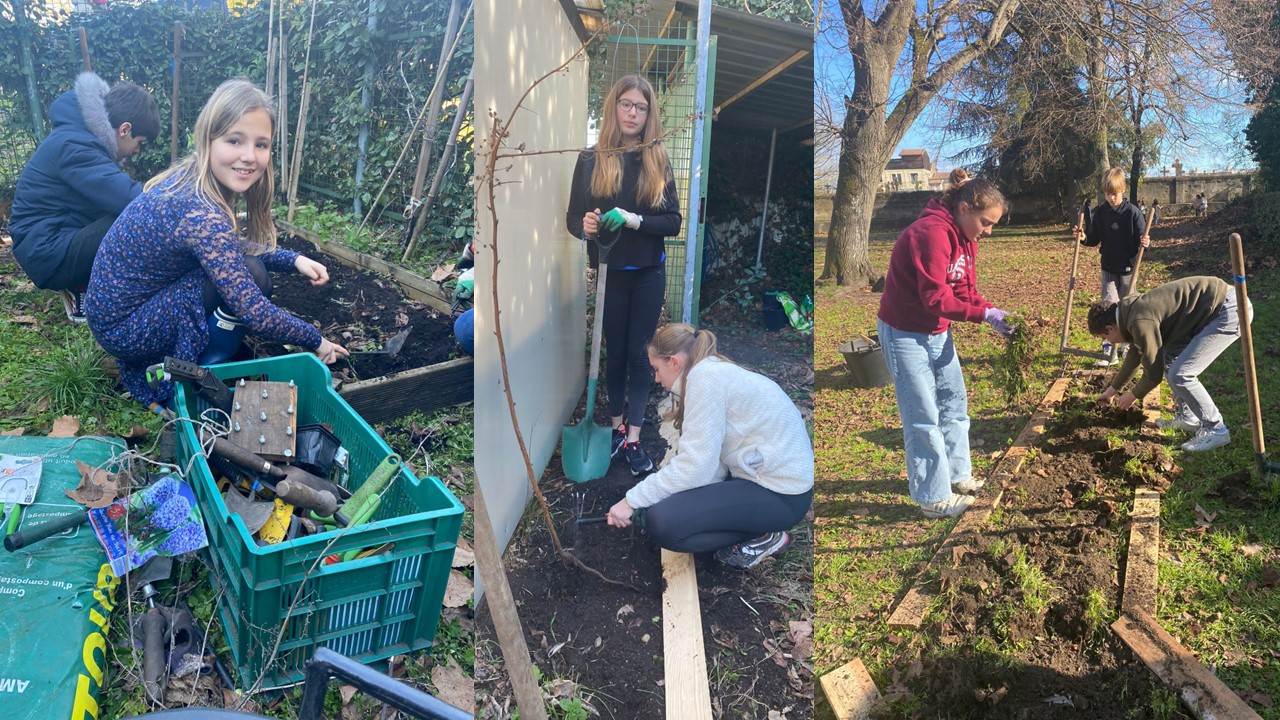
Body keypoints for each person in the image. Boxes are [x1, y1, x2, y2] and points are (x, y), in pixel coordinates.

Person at [84, 79, 348, 410]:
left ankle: (212, 355)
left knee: (242, 270)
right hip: (127, 329)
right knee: (252, 275)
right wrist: (316, 341)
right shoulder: (201, 212)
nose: (249, 156)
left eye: (262, 144)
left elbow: (222, 247)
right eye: (234, 140)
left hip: (116, 315)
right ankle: (200, 380)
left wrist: (292, 259)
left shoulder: (191, 177)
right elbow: (256, 313)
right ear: (208, 139)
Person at [605, 324, 813, 568]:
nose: (657, 379)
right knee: (665, 509)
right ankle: (755, 526)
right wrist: (659, 497)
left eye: (656, 369)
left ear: (673, 362)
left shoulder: (704, 379)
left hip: (781, 494)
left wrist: (631, 501)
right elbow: (710, 463)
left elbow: (696, 466)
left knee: (664, 524)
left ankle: (764, 535)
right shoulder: (710, 372)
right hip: (760, 479)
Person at [877, 168, 1013, 519]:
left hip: (937, 332)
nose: (988, 231)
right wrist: (983, 317)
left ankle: (958, 475)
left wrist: (992, 311)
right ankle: (933, 497)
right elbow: (935, 298)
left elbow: (965, 290)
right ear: (965, 208)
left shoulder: (967, 239)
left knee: (955, 404)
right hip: (905, 333)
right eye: (985, 222)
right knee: (922, 415)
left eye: (993, 224)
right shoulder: (931, 233)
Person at [566, 75, 682, 477]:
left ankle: (633, 437)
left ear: (650, 115)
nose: (633, 113)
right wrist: (586, 227)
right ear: (613, 107)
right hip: (610, 271)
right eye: (626, 104)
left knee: (637, 354)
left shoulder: (657, 161)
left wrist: (634, 220)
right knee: (613, 354)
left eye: (642, 107)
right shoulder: (589, 160)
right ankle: (614, 428)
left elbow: (673, 222)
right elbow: (572, 220)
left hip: (648, 273)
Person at [8, 72, 160, 321]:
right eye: (140, 142)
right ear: (125, 129)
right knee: (134, 218)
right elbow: (131, 199)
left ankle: (89, 284)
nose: (137, 151)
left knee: (126, 214)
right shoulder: (75, 145)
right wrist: (178, 203)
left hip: (51, 240)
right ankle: (84, 291)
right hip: (47, 254)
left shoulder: (79, 137)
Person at [1088, 276, 1249, 452]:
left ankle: (1216, 429)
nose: (1109, 342)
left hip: (1228, 310)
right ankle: (1188, 417)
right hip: (1206, 312)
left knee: (1181, 373)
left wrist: (1132, 395)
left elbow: (1153, 374)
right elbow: (1135, 354)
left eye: (1105, 338)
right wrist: (1112, 390)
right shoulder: (1128, 313)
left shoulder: (1139, 321)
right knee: (1170, 361)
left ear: (1111, 328)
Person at [1072, 168, 1150, 366]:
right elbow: (1094, 238)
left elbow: (1142, 242)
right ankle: (1109, 350)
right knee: (1108, 305)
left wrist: (1146, 243)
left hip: (1128, 269)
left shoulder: (1133, 213)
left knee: (1127, 306)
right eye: (1107, 194)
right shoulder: (1101, 213)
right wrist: (1083, 238)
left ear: (1122, 189)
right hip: (1108, 267)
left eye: (1114, 193)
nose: (1111, 198)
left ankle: (1126, 344)